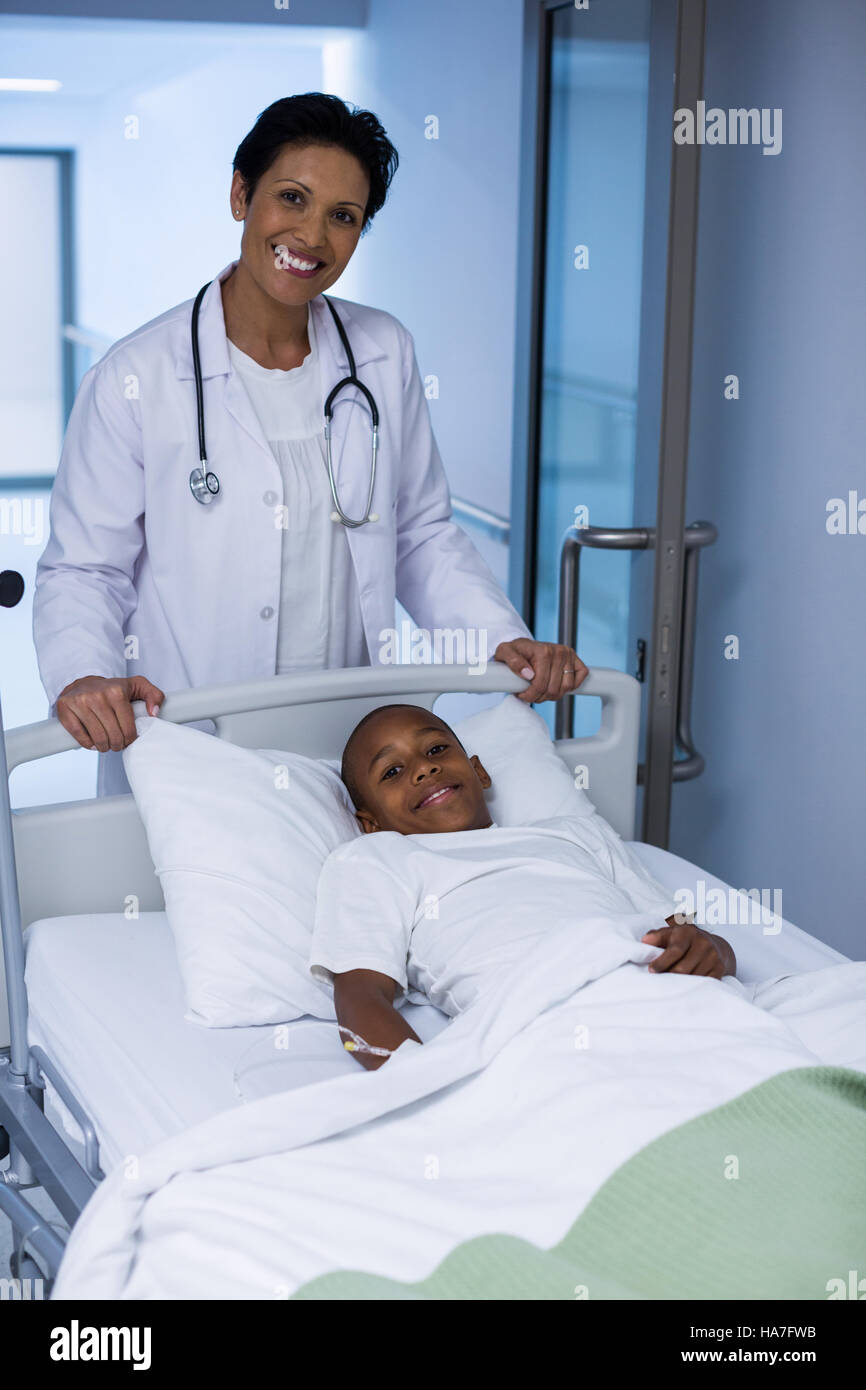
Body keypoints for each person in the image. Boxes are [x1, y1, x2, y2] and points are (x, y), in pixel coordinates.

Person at [32, 93, 586, 797]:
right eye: (291, 198)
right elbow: (84, 569)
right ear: (241, 193)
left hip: (346, 746)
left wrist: (494, 639)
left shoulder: (383, 351)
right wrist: (84, 672)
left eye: (343, 217)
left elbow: (419, 533)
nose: (312, 236)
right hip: (192, 748)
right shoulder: (135, 376)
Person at [310, 703, 736, 1070]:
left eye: (437, 749)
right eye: (393, 771)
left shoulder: (574, 833)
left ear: (479, 771)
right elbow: (360, 997)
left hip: (668, 999)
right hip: (544, 1025)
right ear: (370, 824)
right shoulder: (377, 860)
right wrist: (421, 1086)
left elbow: (686, 930)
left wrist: (711, 950)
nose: (425, 768)